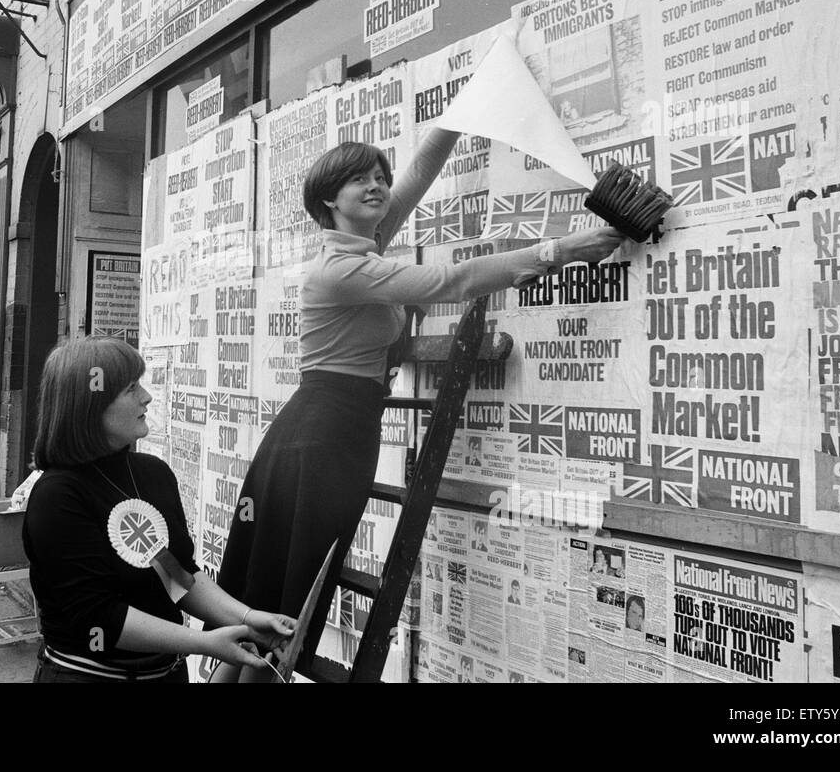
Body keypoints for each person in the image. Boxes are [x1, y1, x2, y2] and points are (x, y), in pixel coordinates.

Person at [213, 132, 625, 681]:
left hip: (332, 430)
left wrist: (457, 118)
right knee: (287, 609)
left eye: (379, 175)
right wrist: (559, 250)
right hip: (322, 437)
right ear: (329, 199)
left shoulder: (365, 245)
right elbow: (449, 281)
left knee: (277, 600)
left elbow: (414, 178)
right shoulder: (343, 269)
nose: (377, 185)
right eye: (360, 179)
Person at [20, 337, 296, 683]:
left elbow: (176, 576)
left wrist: (246, 617)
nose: (147, 397)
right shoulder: (57, 496)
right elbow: (98, 616)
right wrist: (205, 642)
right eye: (131, 388)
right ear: (89, 405)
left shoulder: (152, 474)